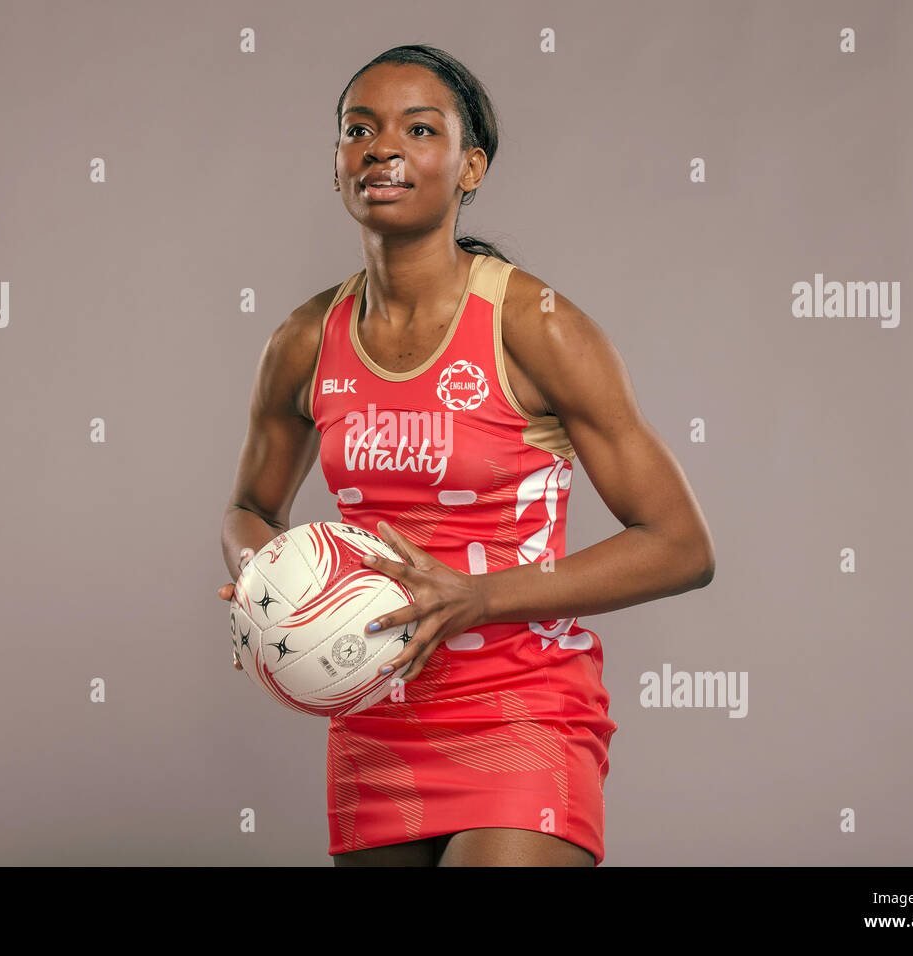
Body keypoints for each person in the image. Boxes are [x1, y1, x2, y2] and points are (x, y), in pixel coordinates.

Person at [218, 44, 714, 866]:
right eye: (359, 129)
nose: (382, 147)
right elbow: (249, 509)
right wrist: (262, 583)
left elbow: (680, 545)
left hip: (523, 707)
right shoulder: (305, 340)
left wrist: (476, 598)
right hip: (373, 709)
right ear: (337, 163)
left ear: (469, 165)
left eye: (418, 128)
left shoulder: (535, 325)